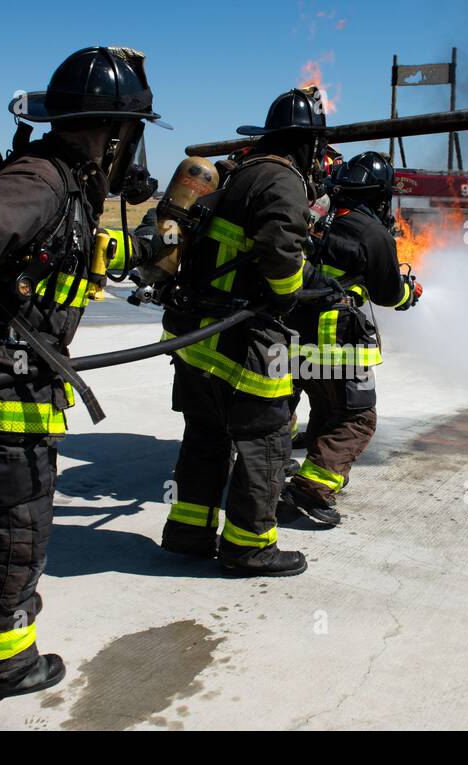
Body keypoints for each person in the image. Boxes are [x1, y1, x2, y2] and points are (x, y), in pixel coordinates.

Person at [0, 46, 164, 702]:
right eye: (129, 133)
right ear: (109, 131)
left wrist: (144, 248)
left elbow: (68, 256)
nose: (131, 149)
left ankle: (0, 624)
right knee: (15, 533)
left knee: (14, 530)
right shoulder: (44, 181)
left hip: (23, 387)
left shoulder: (67, 185)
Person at [158, 87, 329, 577]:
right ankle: (249, 546)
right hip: (245, 341)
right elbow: (279, 253)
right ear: (308, 143)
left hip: (197, 339)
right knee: (267, 438)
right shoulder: (284, 181)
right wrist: (292, 292)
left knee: (205, 437)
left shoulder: (240, 173)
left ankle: (189, 533)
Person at [280, 151, 422, 526]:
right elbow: (389, 293)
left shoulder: (318, 216)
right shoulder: (373, 233)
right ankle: (308, 492)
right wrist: (411, 292)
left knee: (310, 407)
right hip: (335, 341)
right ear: (379, 195)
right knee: (357, 419)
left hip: (289, 335)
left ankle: (285, 475)